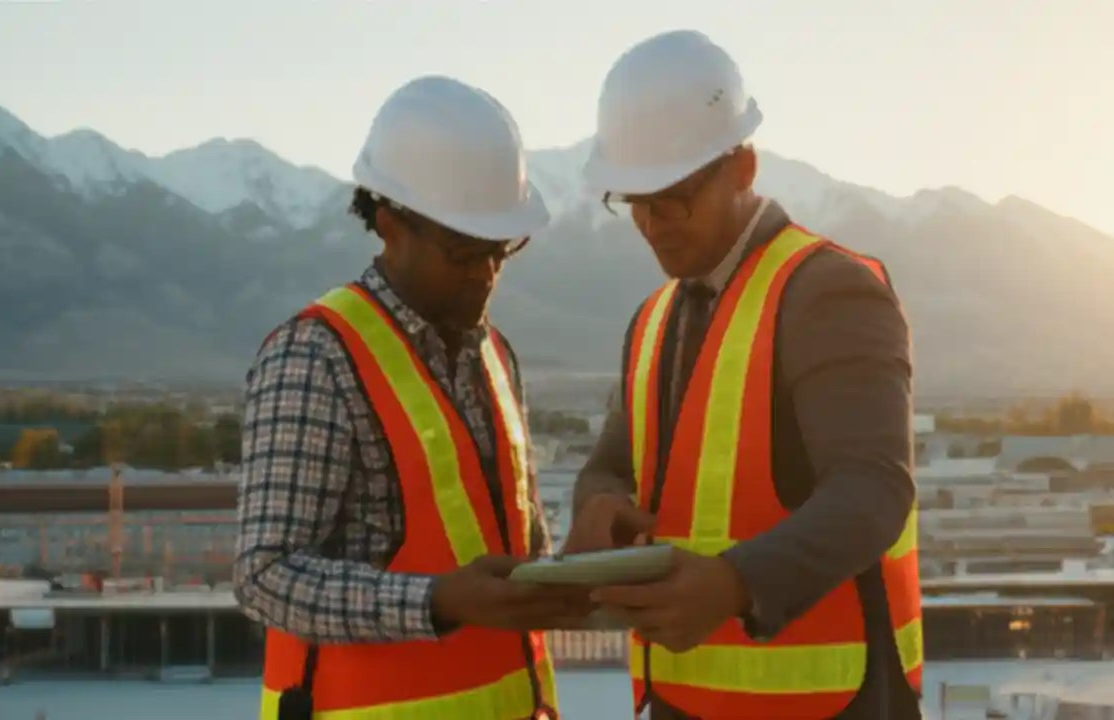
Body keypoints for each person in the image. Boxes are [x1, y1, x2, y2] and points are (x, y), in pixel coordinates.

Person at [564, 30, 924, 719]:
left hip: (829, 704)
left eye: (673, 197)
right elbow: (609, 465)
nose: (651, 223)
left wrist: (733, 584)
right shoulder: (653, 320)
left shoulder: (828, 292)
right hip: (682, 700)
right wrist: (598, 508)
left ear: (744, 167)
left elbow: (874, 490)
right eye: (633, 200)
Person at [234, 75, 590, 720]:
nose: (485, 273)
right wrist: (437, 602)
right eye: (462, 252)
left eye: (501, 250)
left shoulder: (494, 354)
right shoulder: (315, 356)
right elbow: (266, 577)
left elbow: (514, 552)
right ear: (390, 224)